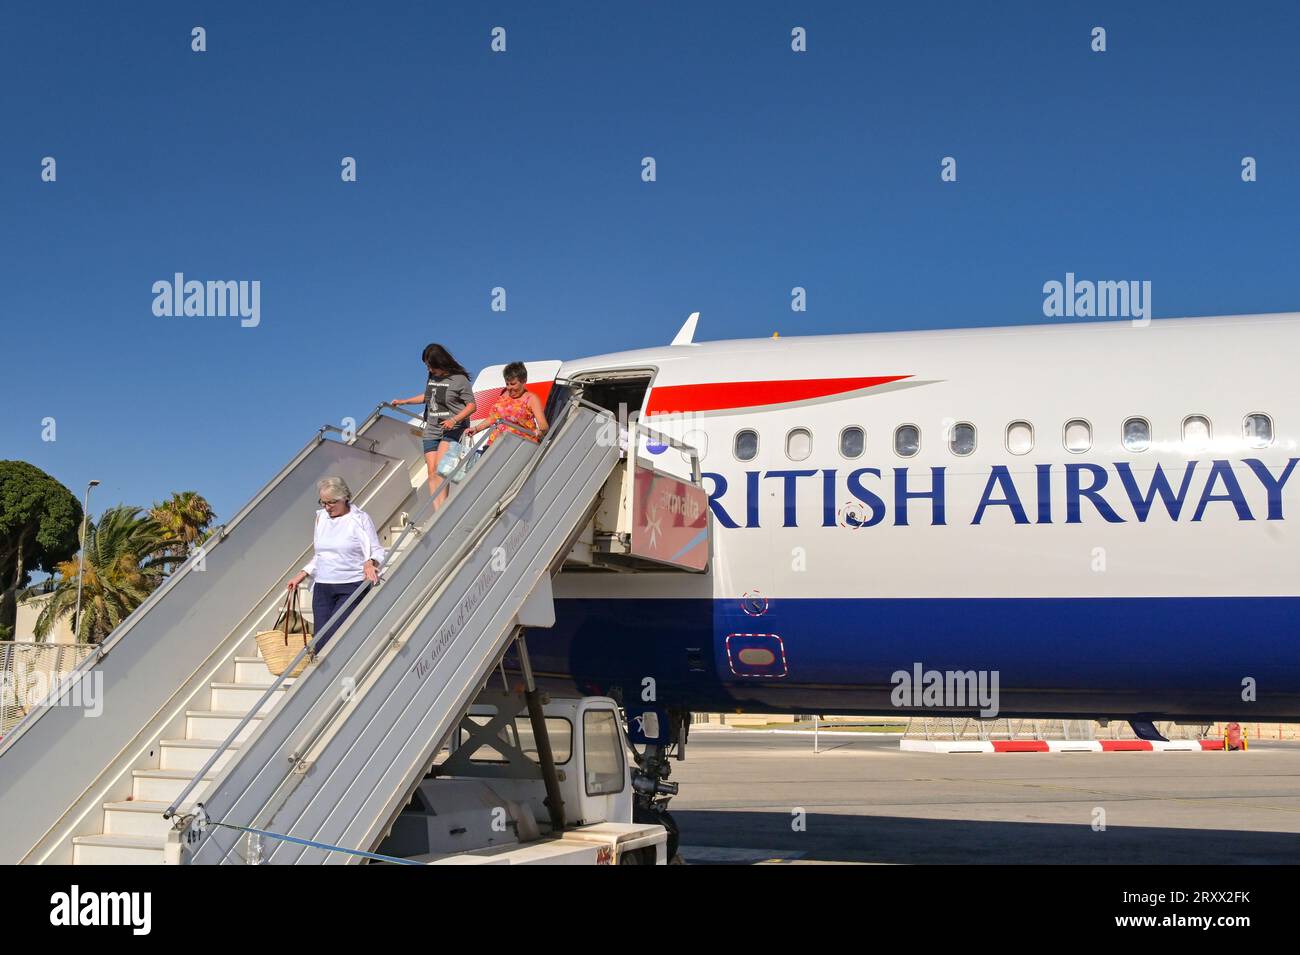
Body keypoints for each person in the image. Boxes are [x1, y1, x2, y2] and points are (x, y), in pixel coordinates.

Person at [287, 476, 384, 650]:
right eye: (323, 502)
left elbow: (377, 549)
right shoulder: (321, 518)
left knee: (333, 634)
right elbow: (321, 554)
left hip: (350, 585)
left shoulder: (360, 519)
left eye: (331, 502)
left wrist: (370, 563)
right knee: (320, 640)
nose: (326, 507)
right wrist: (301, 575)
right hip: (323, 587)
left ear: (344, 497)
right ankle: (320, 676)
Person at [391, 343, 476, 508]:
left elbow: (472, 406)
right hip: (432, 428)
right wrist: (404, 401)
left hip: (452, 428)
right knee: (431, 472)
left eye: (431, 367)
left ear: (441, 363)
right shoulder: (432, 377)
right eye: (427, 367)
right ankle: (437, 512)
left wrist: (454, 420)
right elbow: (428, 396)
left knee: (440, 468)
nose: (429, 370)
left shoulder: (459, 380)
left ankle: (443, 510)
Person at [465, 361, 549, 447]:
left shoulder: (531, 398)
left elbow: (544, 426)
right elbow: (493, 418)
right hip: (494, 444)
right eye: (507, 384)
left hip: (518, 447)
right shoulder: (504, 394)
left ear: (524, 381)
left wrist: (540, 432)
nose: (509, 388)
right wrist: (476, 429)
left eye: (513, 384)